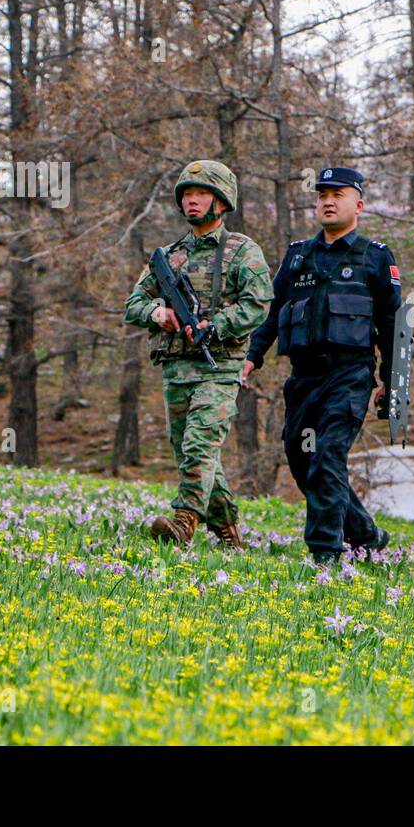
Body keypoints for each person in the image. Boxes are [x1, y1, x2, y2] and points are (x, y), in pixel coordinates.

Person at [242, 167, 399, 563]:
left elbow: (394, 325)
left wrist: (390, 384)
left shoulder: (376, 258)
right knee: (303, 457)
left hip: (349, 375)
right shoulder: (298, 256)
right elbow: (273, 312)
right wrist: (251, 357)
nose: (327, 201)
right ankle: (365, 533)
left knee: (328, 453)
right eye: (322, 195)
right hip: (304, 377)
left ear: (358, 205)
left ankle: (325, 554)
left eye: (338, 194)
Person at [123, 160, 273, 547]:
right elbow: (133, 303)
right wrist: (159, 313)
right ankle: (228, 534)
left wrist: (216, 325)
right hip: (176, 367)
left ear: (221, 202)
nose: (192, 201)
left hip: (220, 366)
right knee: (191, 450)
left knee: (200, 443)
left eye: (201, 194)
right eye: (187, 194)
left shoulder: (242, 251)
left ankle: (184, 522)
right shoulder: (169, 256)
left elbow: (258, 305)